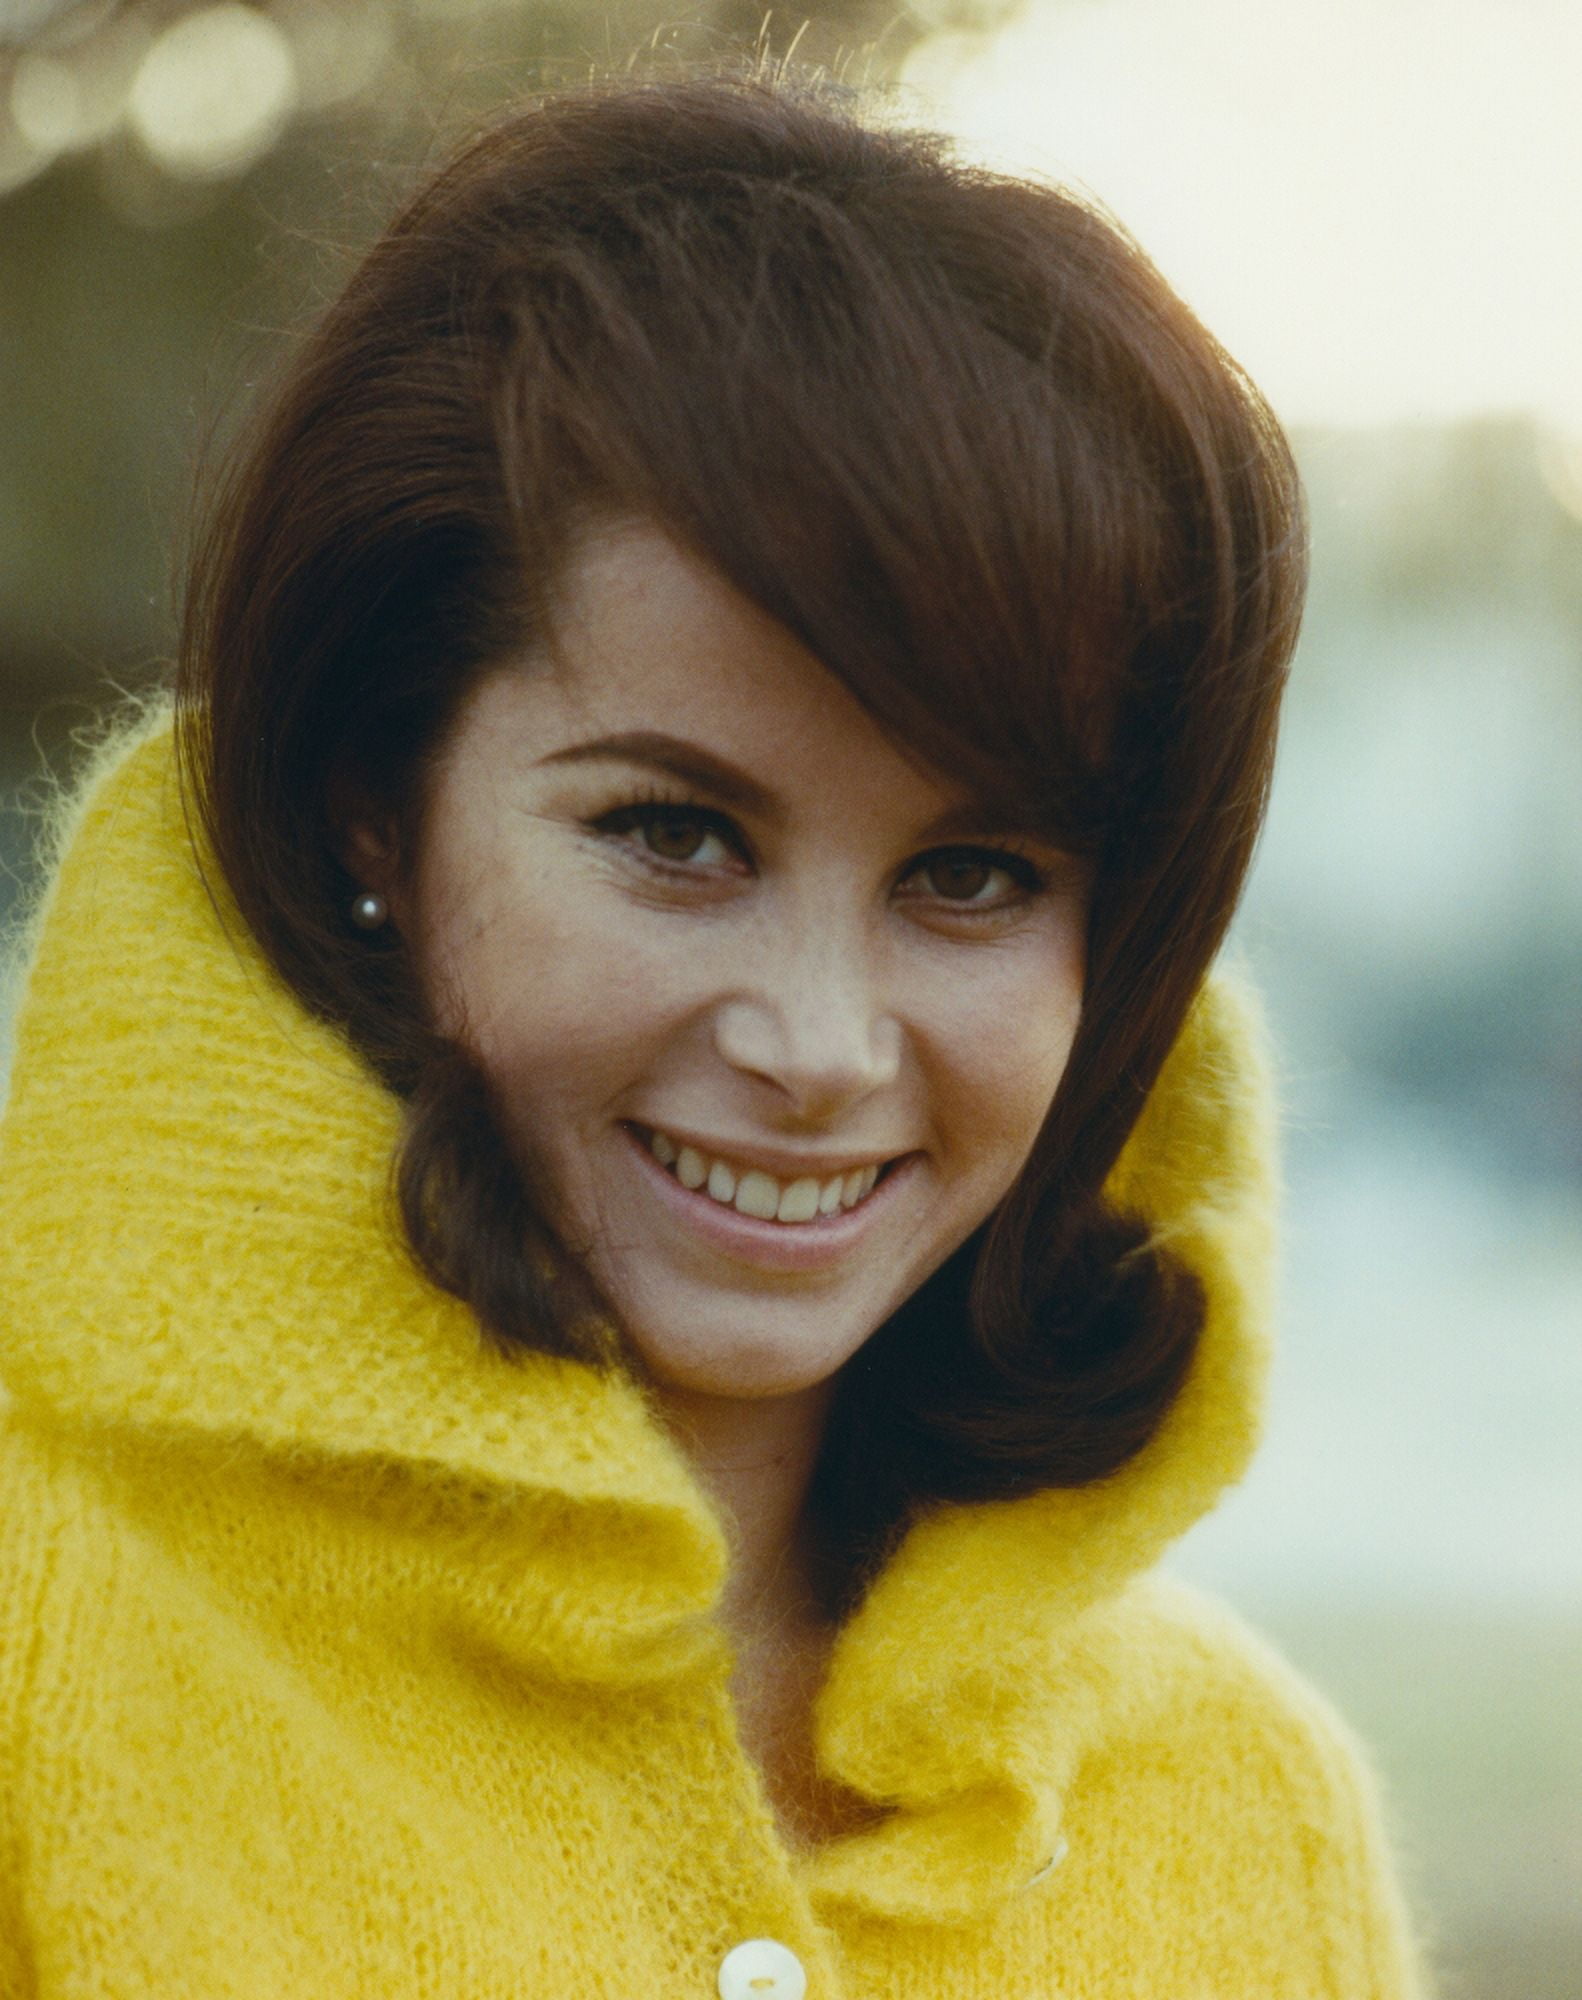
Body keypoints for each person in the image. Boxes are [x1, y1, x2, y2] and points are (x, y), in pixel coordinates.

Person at [0, 70, 1425, 1998]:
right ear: (372, 811)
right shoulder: (34, 1651)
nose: (821, 1046)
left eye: (972, 875)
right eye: (674, 835)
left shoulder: (1246, 1804)